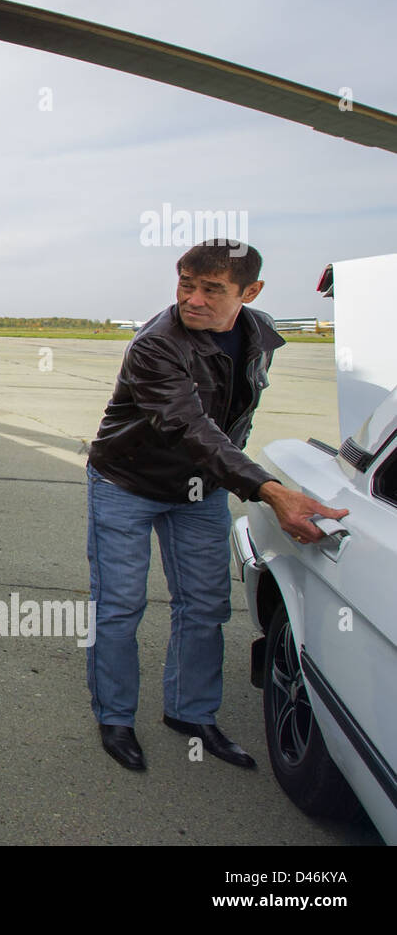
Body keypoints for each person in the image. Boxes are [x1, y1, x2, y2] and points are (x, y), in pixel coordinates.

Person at [85, 239, 348, 772]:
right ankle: (115, 718)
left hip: (202, 488)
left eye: (212, 290)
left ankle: (190, 712)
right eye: (186, 285)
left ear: (250, 292)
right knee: (119, 607)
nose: (194, 300)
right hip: (127, 482)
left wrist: (237, 478)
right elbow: (190, 427)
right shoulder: (156, 345)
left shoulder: (259, 332)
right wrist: (271, 492)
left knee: (205, 606)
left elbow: (233, 416)